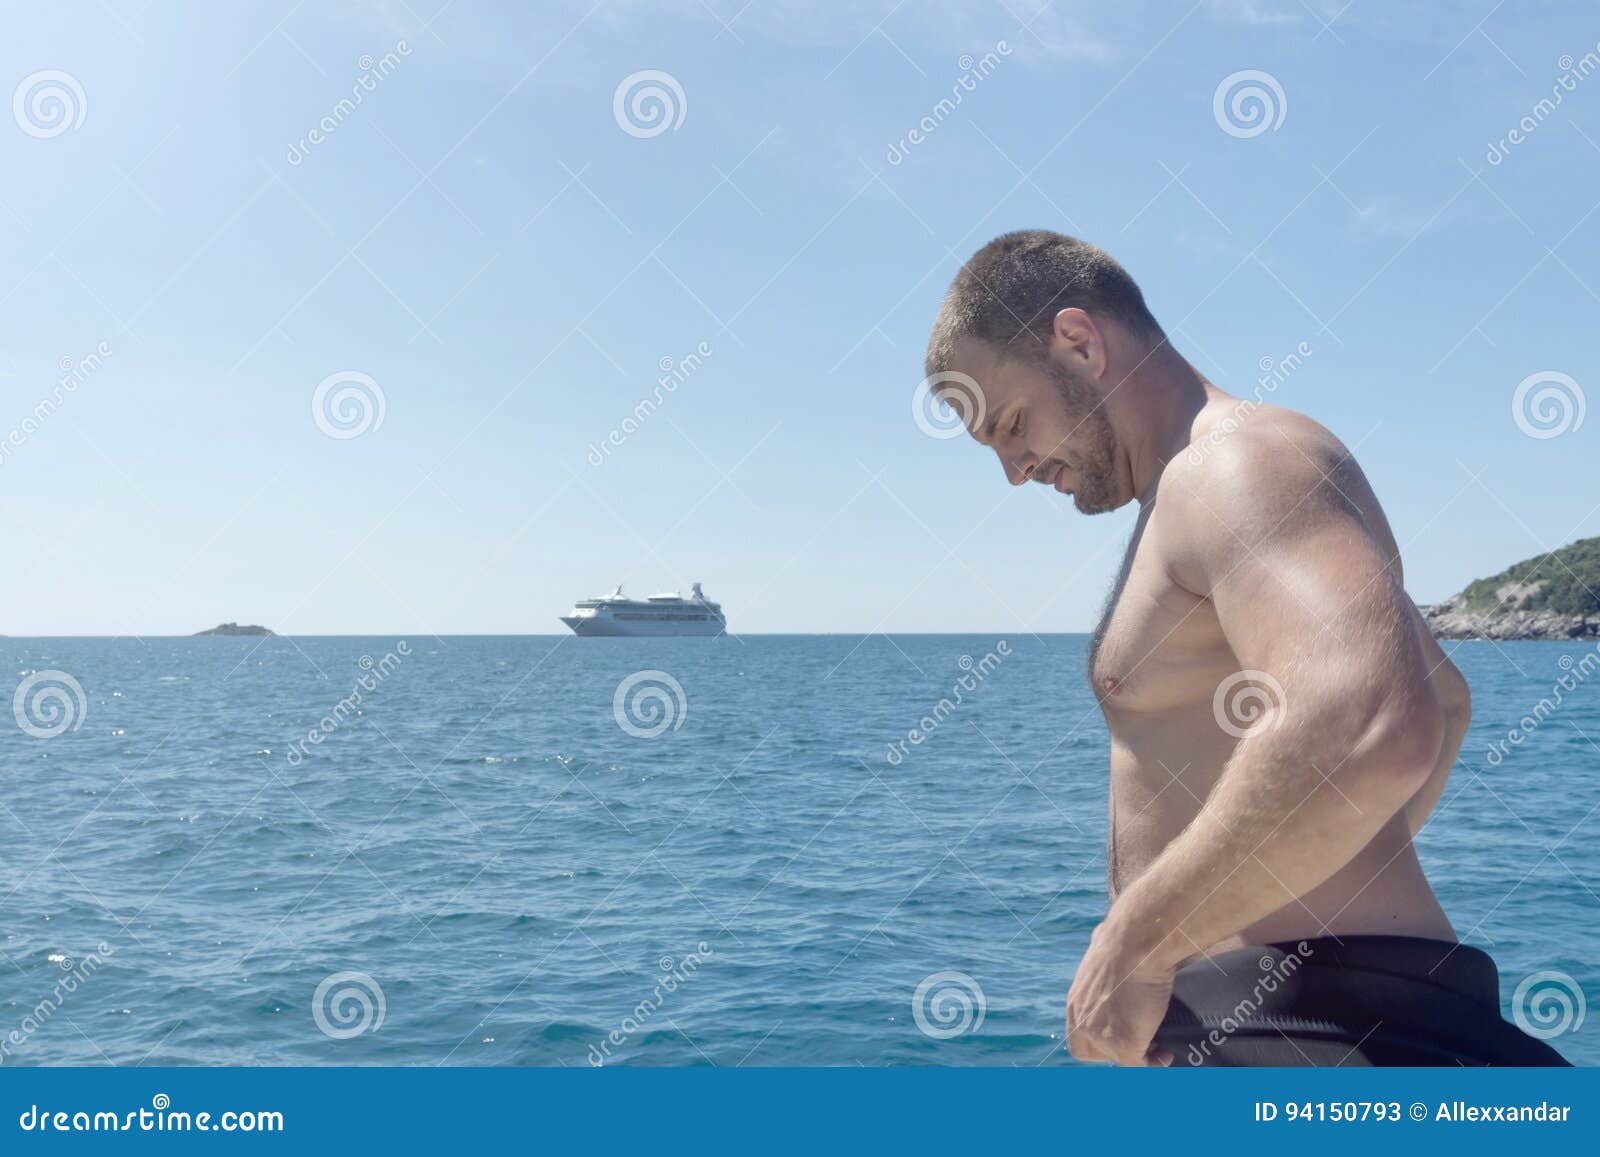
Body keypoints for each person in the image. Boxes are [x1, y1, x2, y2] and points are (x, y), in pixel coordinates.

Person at [922, 229, 1569, 1066]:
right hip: (1312, 1014)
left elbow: (1371, 717)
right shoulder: (1202, 485)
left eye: (1012, 423)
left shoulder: (1234, 464)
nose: (1015, 469)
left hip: (1326, 1026)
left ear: (1079, 341)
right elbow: (1443, 699)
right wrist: (1304, 866)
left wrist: (1138, 940)